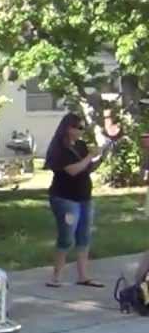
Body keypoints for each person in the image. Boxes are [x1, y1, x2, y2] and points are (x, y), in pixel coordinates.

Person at [44, 112, 113, 288]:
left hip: (84, 197)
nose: (82, 131)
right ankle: (55, 277)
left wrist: (102, 155)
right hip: (65, 198)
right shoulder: (59, 148)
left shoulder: (81, 146)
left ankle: (83, 276)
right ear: (69, 128)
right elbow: (72, 170)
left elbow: (86, 169)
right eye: (79, 127)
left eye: (83, 128)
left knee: (84, 236)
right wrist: (89, 156)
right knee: (67, 237)